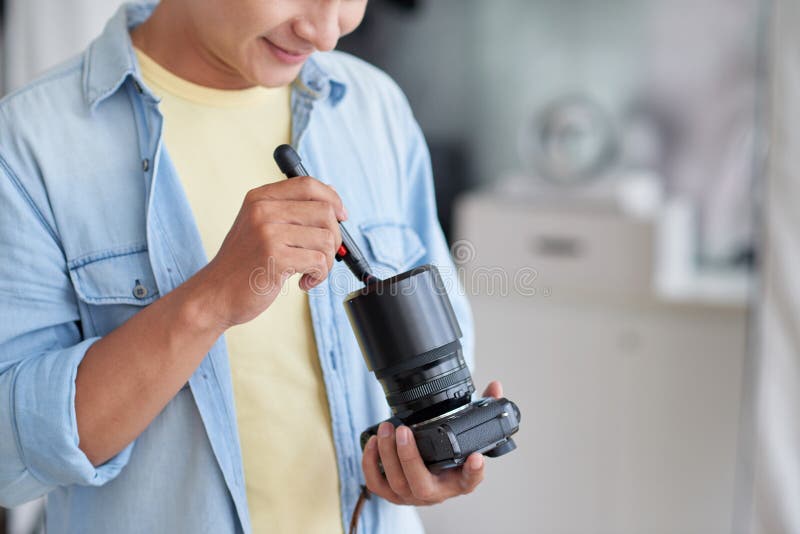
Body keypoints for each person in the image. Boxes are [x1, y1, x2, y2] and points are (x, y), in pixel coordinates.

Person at [0, 1, 503, 533]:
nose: (325, 33)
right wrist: (209, 300)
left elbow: (441, 362)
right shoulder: (30, 144)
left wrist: (411, 457)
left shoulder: (373, 107)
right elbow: (11, 458)